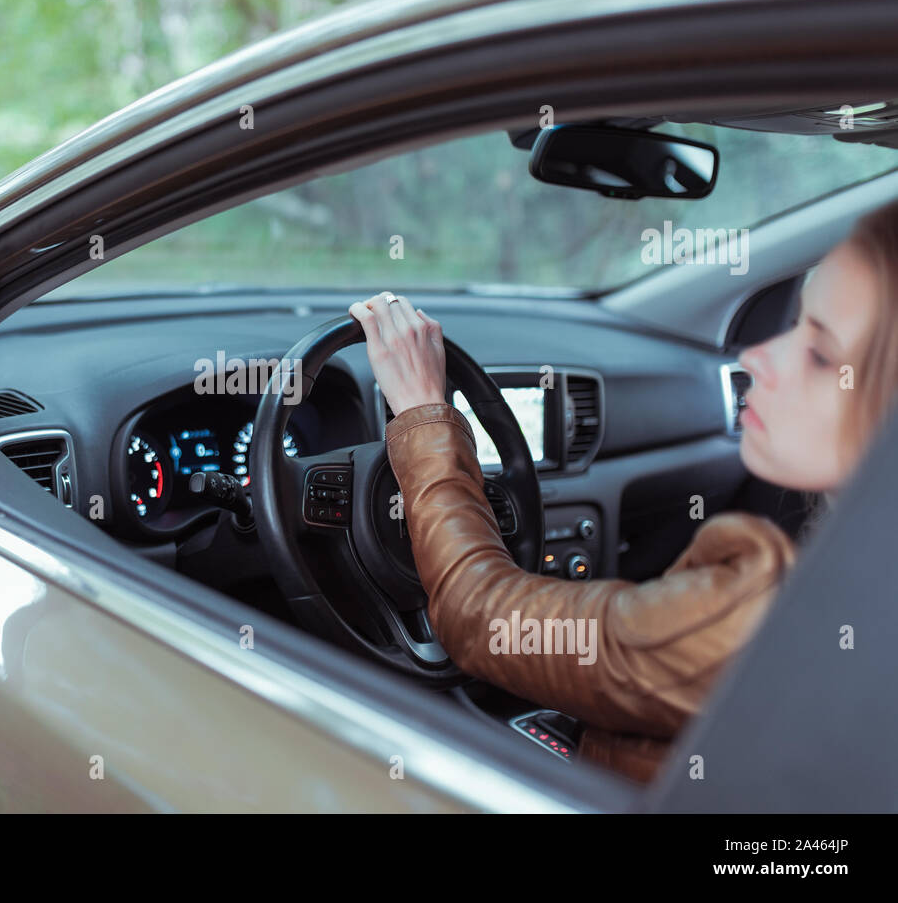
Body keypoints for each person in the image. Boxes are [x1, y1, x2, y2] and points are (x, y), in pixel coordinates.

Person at [348, 197, 898, 782]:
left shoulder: (758, 615)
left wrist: (424, 415)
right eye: (793, 323)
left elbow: (482, 620)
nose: (755, 358)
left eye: (819, 354)